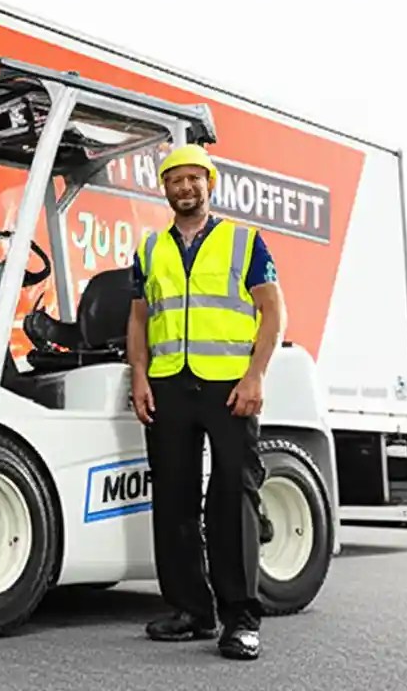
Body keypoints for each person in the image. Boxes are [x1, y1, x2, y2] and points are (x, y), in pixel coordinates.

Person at [126, 143, 285, 661]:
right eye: (176, 179)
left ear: (209, 184)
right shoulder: (150, 249)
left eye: (195, 178)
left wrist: (256, 375)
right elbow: (138, 318)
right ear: (164, 187)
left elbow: (272, 312)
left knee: (232, 499)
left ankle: (241, 619)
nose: (186, 187)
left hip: (229, 385)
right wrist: (140, 378)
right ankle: (192, 610)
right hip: (170, 383)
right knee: (173, 498)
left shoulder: (244, 241)